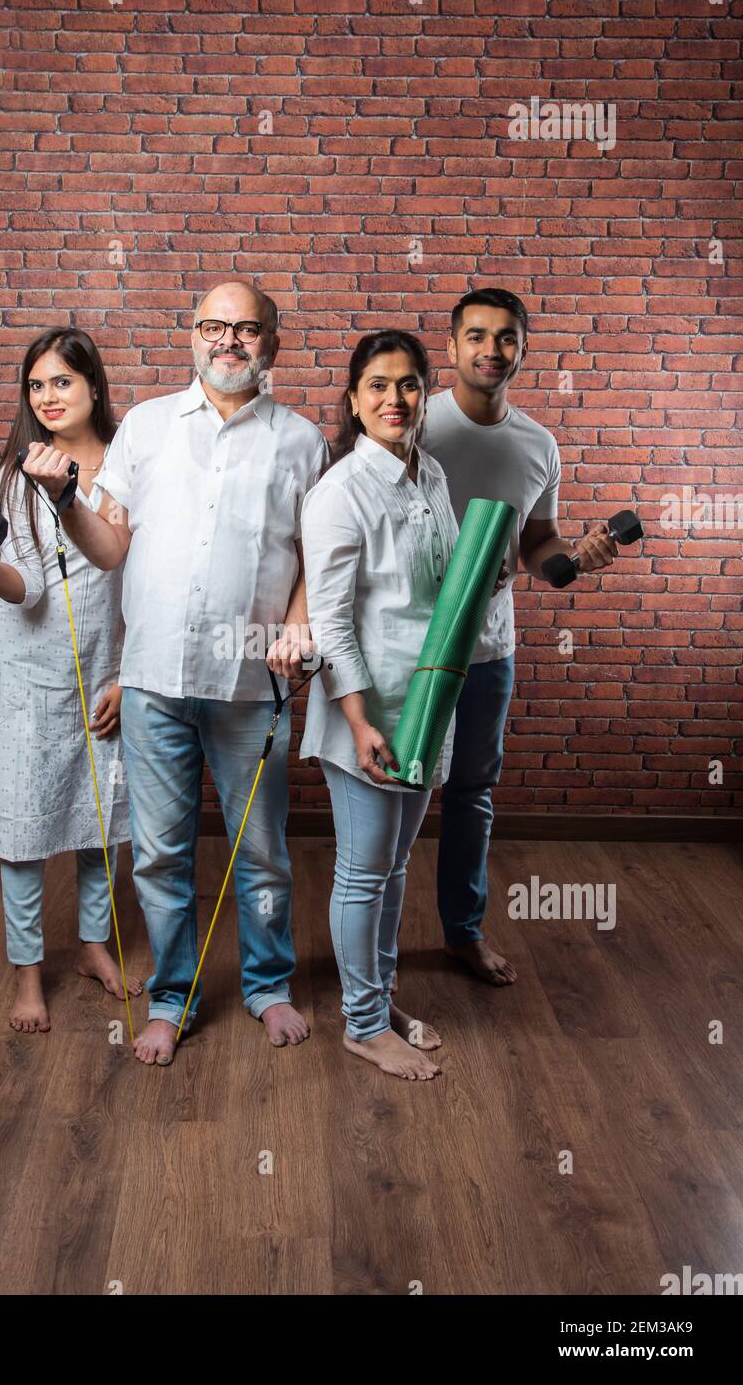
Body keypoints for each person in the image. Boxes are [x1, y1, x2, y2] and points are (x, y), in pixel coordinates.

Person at [21, 281, 329, 1065]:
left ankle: (266, 986)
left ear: (272, 343)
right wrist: (64, 504)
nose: (229, 341)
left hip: (248, 687)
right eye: (213, 327)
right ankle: (174, 995)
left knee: (259, 853)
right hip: (155, 680)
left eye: (247, 329)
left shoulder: (300, 440)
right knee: (160, 853)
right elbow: (113, 545)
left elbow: (314, 559)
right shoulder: (149, 428)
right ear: (190, 336)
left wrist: (297, 624)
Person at [0, 327, 142, 1033]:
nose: (47, 396)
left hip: (104, 670)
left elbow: (144, 579)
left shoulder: (129, 464)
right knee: (23, 826)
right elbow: (24, 590)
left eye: (62, 382)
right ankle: (27, 974)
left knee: (102, 822)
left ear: (94, 388)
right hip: (22, 675)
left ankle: (91, 948)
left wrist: (129, 677)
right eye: (36, 385)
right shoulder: (16, 475)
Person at [425, 287, 620, 986]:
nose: (490, 349)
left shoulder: (538, 443)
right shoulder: (413, 423)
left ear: (521, 350)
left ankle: (461, 932)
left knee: (472, 793)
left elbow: (537, 544)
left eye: (505, 337)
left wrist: (572, 560)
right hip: (411, 648)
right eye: (474, 336)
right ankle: (373, 951)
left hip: (489, 650)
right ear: (449, 348)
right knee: (398, 792)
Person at [300, 330, 459, 1080]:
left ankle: (377, 994)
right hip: (366, 710)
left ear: (423, 394)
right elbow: (329, 620)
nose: (393, 399)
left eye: (407, 385)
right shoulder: (338, 492)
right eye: (377, 386)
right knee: (363, 873)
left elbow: (438, 585)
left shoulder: (430, 474)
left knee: (395, 869)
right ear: (353, 400)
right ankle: (362, 1024)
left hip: (427, 700)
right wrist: (359, 719)